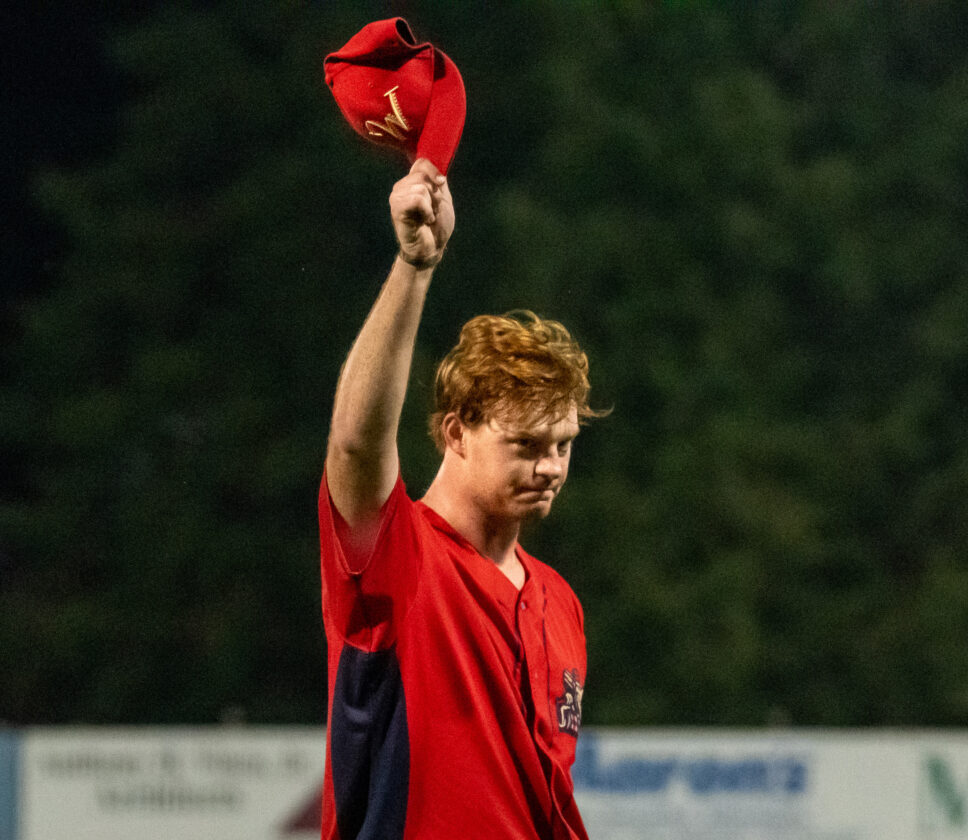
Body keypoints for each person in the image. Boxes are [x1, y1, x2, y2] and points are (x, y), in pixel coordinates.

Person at [318, 158, 605, 840]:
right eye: (528, 444)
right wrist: (414, 268)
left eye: (562, 444)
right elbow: (356, 446)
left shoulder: (559, 601)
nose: (551, 466)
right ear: (456, 431)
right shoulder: (398, 556)